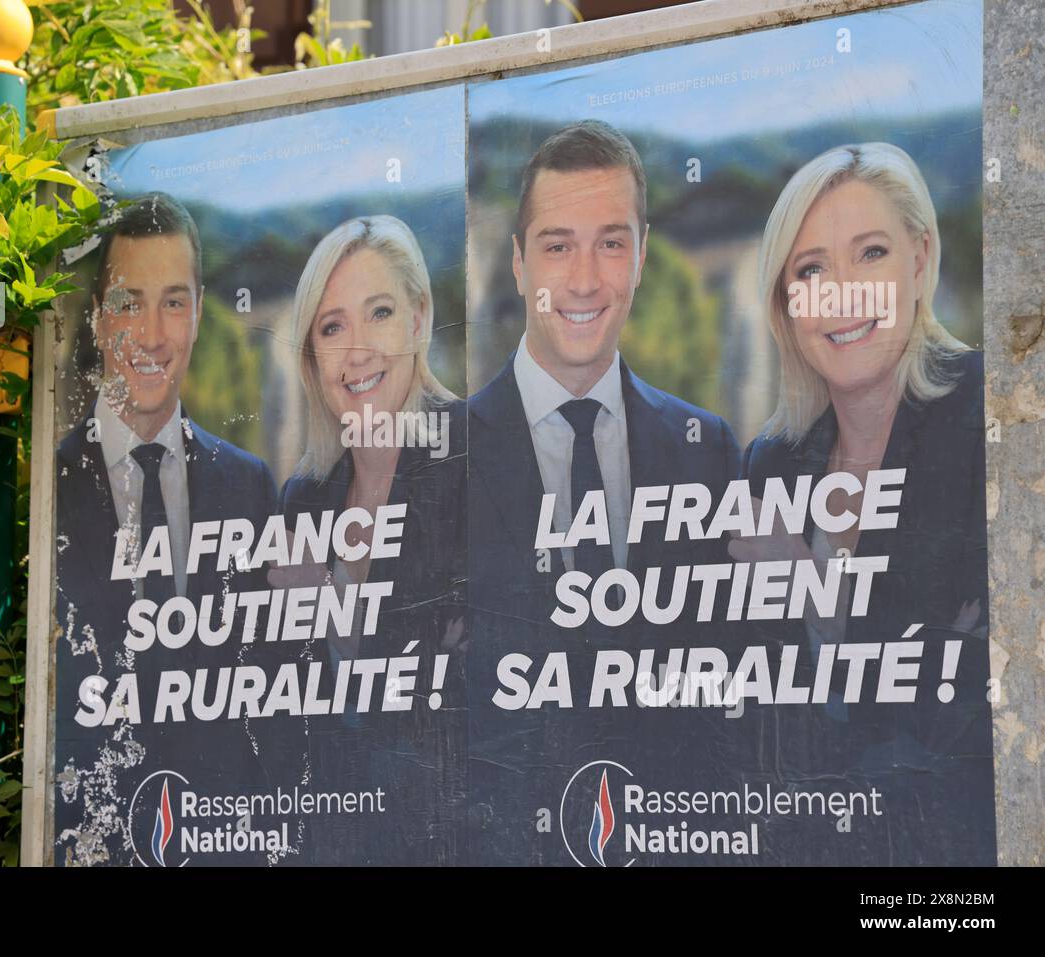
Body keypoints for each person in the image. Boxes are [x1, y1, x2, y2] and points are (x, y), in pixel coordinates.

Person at [466, 120, 741, 865]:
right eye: (557, 246)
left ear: (643, 256)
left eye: (611, 242)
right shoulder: (442, 462)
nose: (585, 279)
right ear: (518, 264)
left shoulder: (707, 449)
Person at [731, 143, 993, 864]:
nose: (841, 292)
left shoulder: (996, 419)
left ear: (920, 258)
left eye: (869, 253)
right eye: (811, 269)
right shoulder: (771, 463)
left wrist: (813, 600)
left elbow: (982, 705)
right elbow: (762, 722)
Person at [53, 192, 283, 866]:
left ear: (199, 310)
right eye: (129, 302)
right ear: (97, 318)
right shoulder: (52, 486)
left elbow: (269, 696)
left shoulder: (249, 486)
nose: (152, 334)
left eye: (174, 302)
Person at [274, 215, 467, 865]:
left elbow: (479, 684)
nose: (356, 351)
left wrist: (331, 604)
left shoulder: (483, 456)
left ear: (418, 319)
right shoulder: (302, 499)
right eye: (331, 327)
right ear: (311, 355)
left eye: (378, 312)